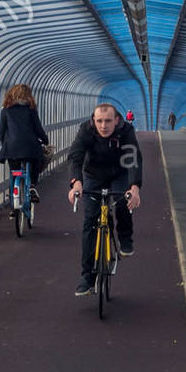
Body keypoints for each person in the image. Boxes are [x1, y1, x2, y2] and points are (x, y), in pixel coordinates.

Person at [67, 103, 142, 296]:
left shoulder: (125, 131)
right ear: (93, 120)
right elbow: (76, 156)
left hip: (119, 173)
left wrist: (134, 188)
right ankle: (87, 277)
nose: (103, 126)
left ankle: (125, 236)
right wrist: (76, 183)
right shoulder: (86, 130)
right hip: (94, 174)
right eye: (99, 121)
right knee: (90, 222)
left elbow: (133, 159)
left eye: (108, 121)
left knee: (122, 199)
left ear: (116, 120)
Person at [0, 83, 49, 203]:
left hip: (12, 148)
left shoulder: (5, 110)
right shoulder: (31, 110)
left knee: (15, 173)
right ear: (28, 95)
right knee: (35, 163)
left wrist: (5, 144)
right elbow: (38, 128)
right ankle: (32, 186)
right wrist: (45, 140)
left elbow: (2, 132)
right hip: (30, 147)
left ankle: (12, 200)